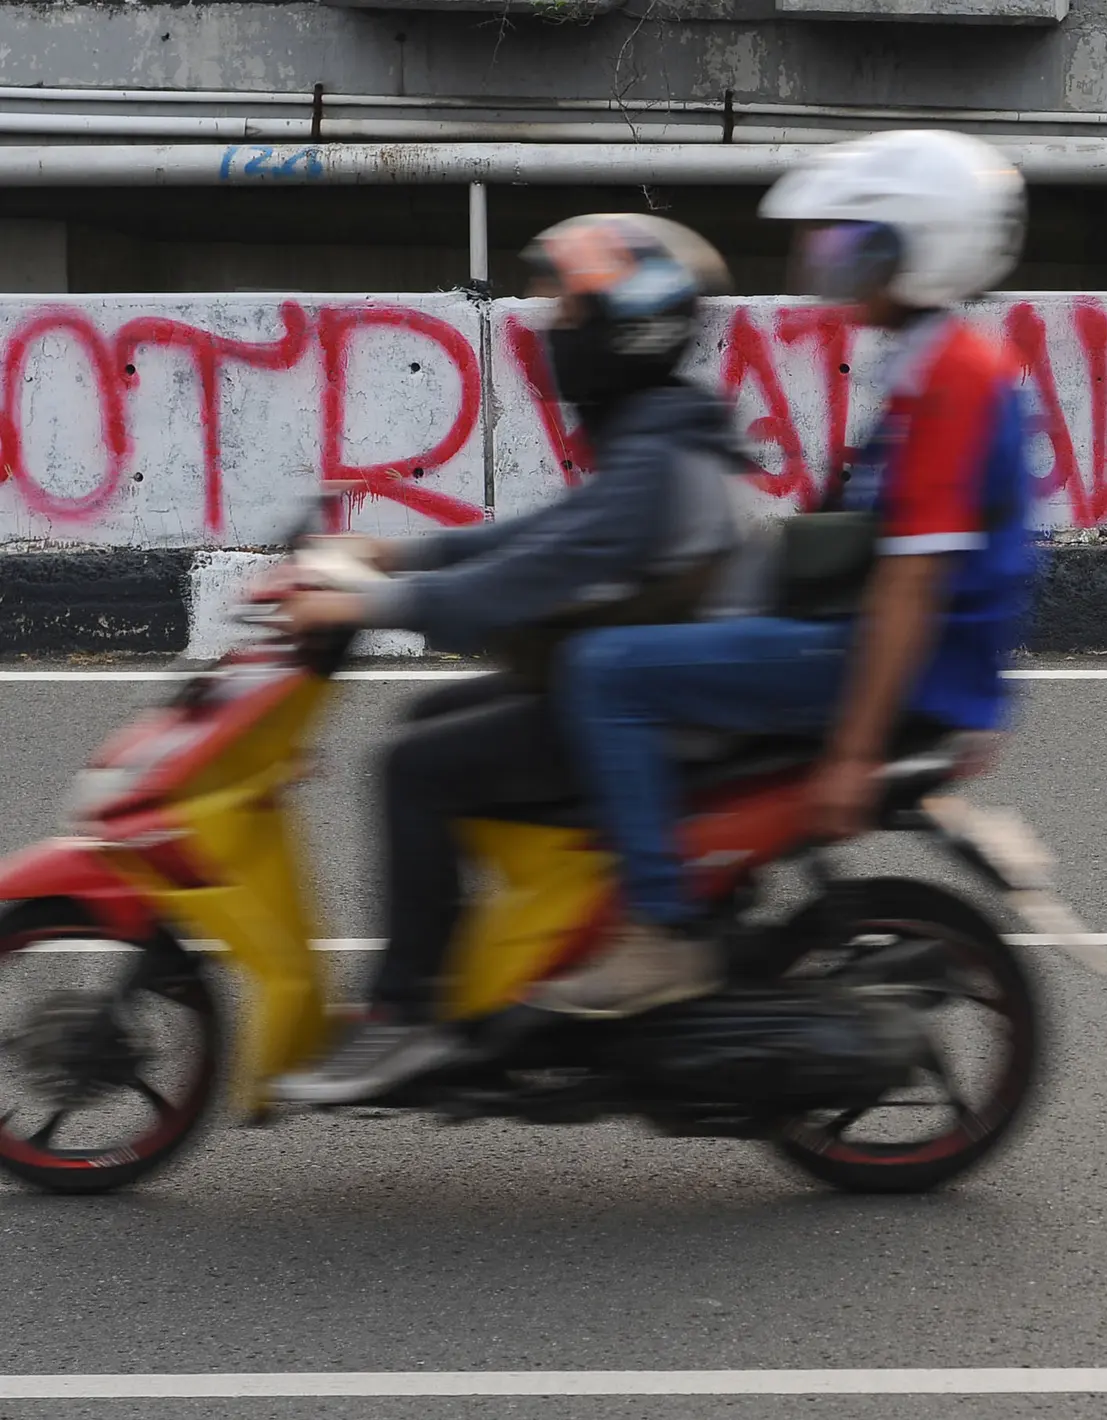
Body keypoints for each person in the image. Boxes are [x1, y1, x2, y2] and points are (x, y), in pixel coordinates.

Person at [531, 129, 1037, 1018]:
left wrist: (850, 754)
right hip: (901, 651)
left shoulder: (956, 375)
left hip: (882, 656)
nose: (836, 266)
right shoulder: (934, 359)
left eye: (855, 244)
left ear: (920, 248)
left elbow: (914, 581)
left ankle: (661, 934)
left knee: (605, 670)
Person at [268, 212, 749, 1104]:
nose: (555, 331)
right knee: (428, 721)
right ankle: (494, 966)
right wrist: (396, 553)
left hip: (654, 711)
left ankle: (409, 1013)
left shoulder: (655, 450)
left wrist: (370, 601)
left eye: (571, 313)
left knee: (414, 766)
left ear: (626, 328)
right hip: (641, 687)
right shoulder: (657, 426)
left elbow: (531, 578)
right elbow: (543, 538)